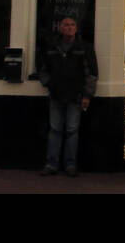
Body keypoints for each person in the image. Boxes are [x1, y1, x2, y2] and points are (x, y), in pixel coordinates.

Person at [37, 16, 98, 176]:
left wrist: (87, 95)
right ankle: (52, 164)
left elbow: (92, 73)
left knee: (72, 130)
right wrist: (50, 84)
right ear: (60, 28)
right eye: (66, 25)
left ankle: (70, 165)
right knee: (55, 129)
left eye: (72, 25)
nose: (69, 28)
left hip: (75, 95)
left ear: (76, 28)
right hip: (56, 94)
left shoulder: (84, 48)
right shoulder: (52, 47)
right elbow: (42, 69)